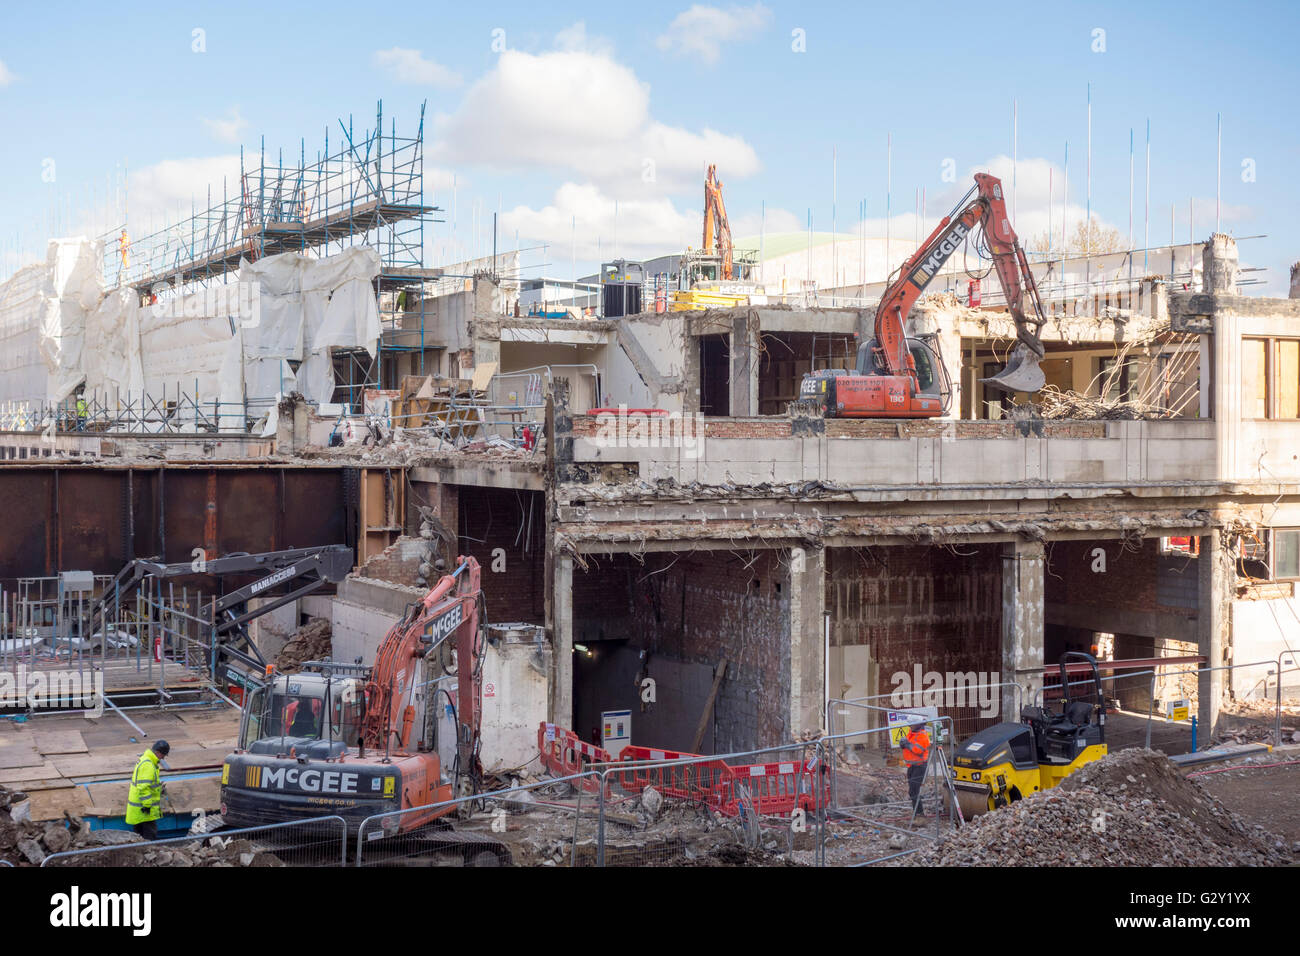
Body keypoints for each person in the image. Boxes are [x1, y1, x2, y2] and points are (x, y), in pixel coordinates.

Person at [125, 740, 169, 840]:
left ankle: (141, 852)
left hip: (139, 807)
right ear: (158, 752)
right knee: (150, 834)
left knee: (139, 835)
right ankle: (149, 853)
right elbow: (143, 787)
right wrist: (147, 805)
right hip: (144, 808)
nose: (163, 758)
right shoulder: (148, 765)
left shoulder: (145, 759)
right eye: (163, 755)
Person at [900, 721, 931, 816]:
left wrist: (907, 744)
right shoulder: (912, 732)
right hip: (912, 766)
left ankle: (919, 814)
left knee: (914, 791)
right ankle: (917, 812)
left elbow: (918, 750)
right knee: (912, 791)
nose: (910, 725)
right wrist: (903, 744)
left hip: (920, 766)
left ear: (918, 724)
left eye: (912, 724)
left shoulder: (923, 736)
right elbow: (908, 744)